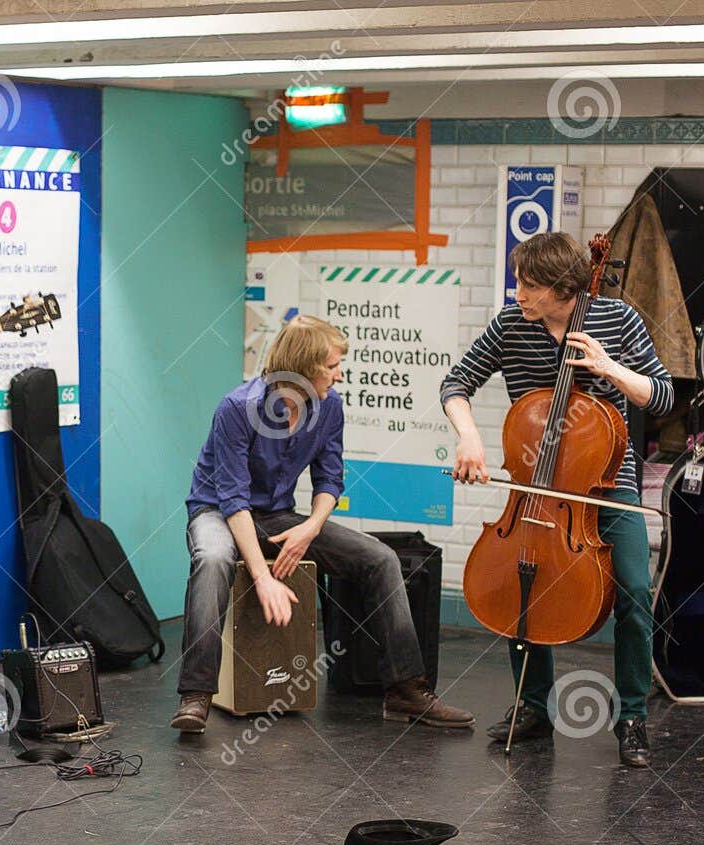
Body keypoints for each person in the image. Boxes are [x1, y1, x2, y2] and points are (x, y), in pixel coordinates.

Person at [170, 315, 474, 734]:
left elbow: (330, 479)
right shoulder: (238, 409)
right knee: (213, 557)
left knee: (381, 559)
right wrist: (262, 576)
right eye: (331, 365)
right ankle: (196, 695)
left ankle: (406, 689)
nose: (339, 374)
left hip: (278, 514)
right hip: (217, 511)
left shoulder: (329, 407)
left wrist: (311, 527)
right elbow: (233, 499)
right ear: (302, 366)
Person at [441, 231, 675, 768]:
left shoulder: (618, 321)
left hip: (604, 482)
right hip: (535, 484)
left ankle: (633, 716)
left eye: (528, 284)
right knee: (523, 583)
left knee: (636, 593)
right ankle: (532, 707)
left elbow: (660, 396)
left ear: (564, 287)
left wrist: (609, 367)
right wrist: (468, 435)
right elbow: (456, 384)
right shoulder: (509, 326)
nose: (517, 292)